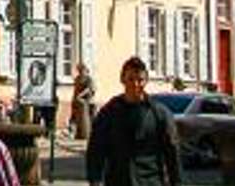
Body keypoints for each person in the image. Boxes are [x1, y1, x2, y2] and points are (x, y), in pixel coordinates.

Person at [85, 56, 180, 186]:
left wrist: (177, 182)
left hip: (150, 181)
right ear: (122, 79)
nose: (135, 84)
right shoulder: (109, 113)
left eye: (140, 80)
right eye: (131, 79)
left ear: (146, 81)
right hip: (117, 180)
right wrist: (95, 180)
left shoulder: (160, 114)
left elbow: (172, 152)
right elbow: (96, 149)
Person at [71, 63, 96, 143]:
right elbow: (75, 89)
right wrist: (74, 98)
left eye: (82, 70)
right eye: (79, 70)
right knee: (77, 118)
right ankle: (79, 134)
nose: (80, 72)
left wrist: (80, 95)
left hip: (88, 101)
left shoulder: (89, 79)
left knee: (90, 118)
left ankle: (89, 134)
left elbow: (89, 89)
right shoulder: (77, 78)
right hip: (79, 102)